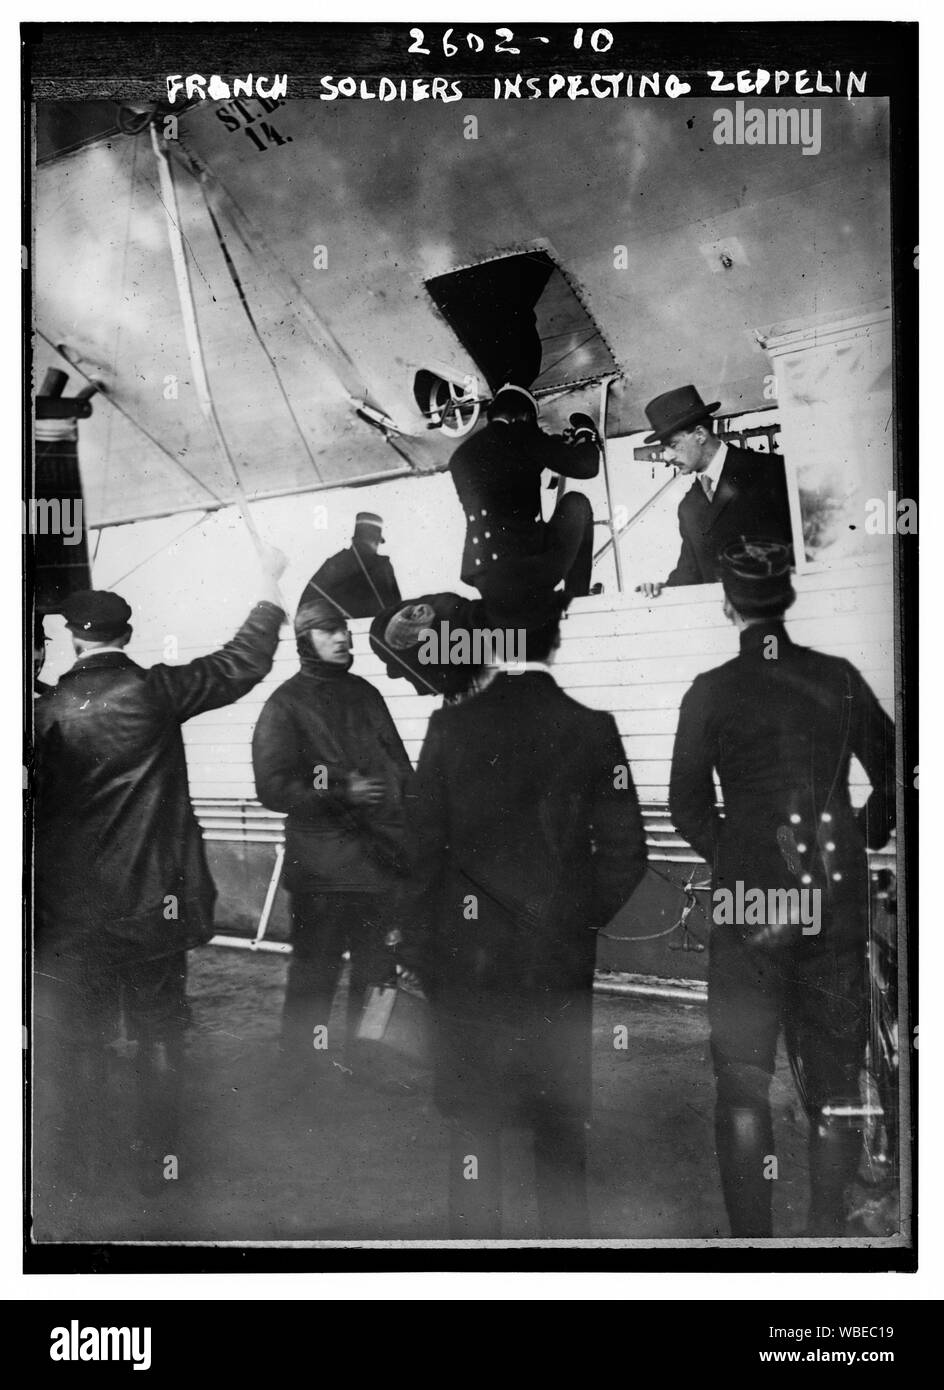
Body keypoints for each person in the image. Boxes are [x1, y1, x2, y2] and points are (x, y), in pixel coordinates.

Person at [32, 545, 288, 1200]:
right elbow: (244, 662)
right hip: (154, 911)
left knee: (79, 1042)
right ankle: (164, 1166)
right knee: (159, 1033)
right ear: (127, 634)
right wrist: (267, 581)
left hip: (71, 917)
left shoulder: (43, 715)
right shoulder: (156, 691)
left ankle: (82, 1169)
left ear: (71, 639)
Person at [397, 591, 648, 1238]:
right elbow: (627, 854)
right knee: (560, 1129)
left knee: (474, 1132)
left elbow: (420, 857)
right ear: (555, 638)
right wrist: (573, 921)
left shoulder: (449, 730)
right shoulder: (595, 728)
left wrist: (422, 955)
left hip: (467, 967)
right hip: (555, 968)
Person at [668, 539, 896, 1237]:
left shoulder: (709, 691)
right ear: (786, 598)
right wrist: (852, 842)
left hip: (748, 910)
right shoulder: (841, 678)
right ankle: (826, 1234)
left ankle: (752, 1252)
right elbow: (899, 777)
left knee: (742, 1086)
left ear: (728, 603)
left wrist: (737, 857)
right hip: (833, 902)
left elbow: (685, 807)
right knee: (834, 1089)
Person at [251, 595, 413, 1077]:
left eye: (344, 628)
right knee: (315, 974)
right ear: (305, 640)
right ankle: (300, 1068)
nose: (343, 637)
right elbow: (273, 786)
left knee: (380, 974)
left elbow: (399, 768)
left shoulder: (365, 693)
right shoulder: (285, 704)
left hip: (381, 862)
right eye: (328, 631)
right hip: (323, 870)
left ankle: (371, 1059)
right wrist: (340, 786)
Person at [448, 385, 601, 601]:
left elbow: (510, 470)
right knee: (577, 504)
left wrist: (554, 446)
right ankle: (577, 597)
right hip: (526, 568)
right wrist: (586, 434)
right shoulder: (522, 432)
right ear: (525, 417)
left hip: (483, 574)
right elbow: (587, 466)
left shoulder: (461, 455)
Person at [635, 386, 792, 597]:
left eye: (672, 444)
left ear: (700, 434)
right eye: (664, 448)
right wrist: (661, 591)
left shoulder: (769, 470)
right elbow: (690, 575)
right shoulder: (688, 507)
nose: (666, 456)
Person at [298, 512, 401, 620]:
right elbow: (397, 608)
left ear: (355, 539)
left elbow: (307, 602)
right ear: (375, 541)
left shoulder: (334, 563)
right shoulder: (382, 566)